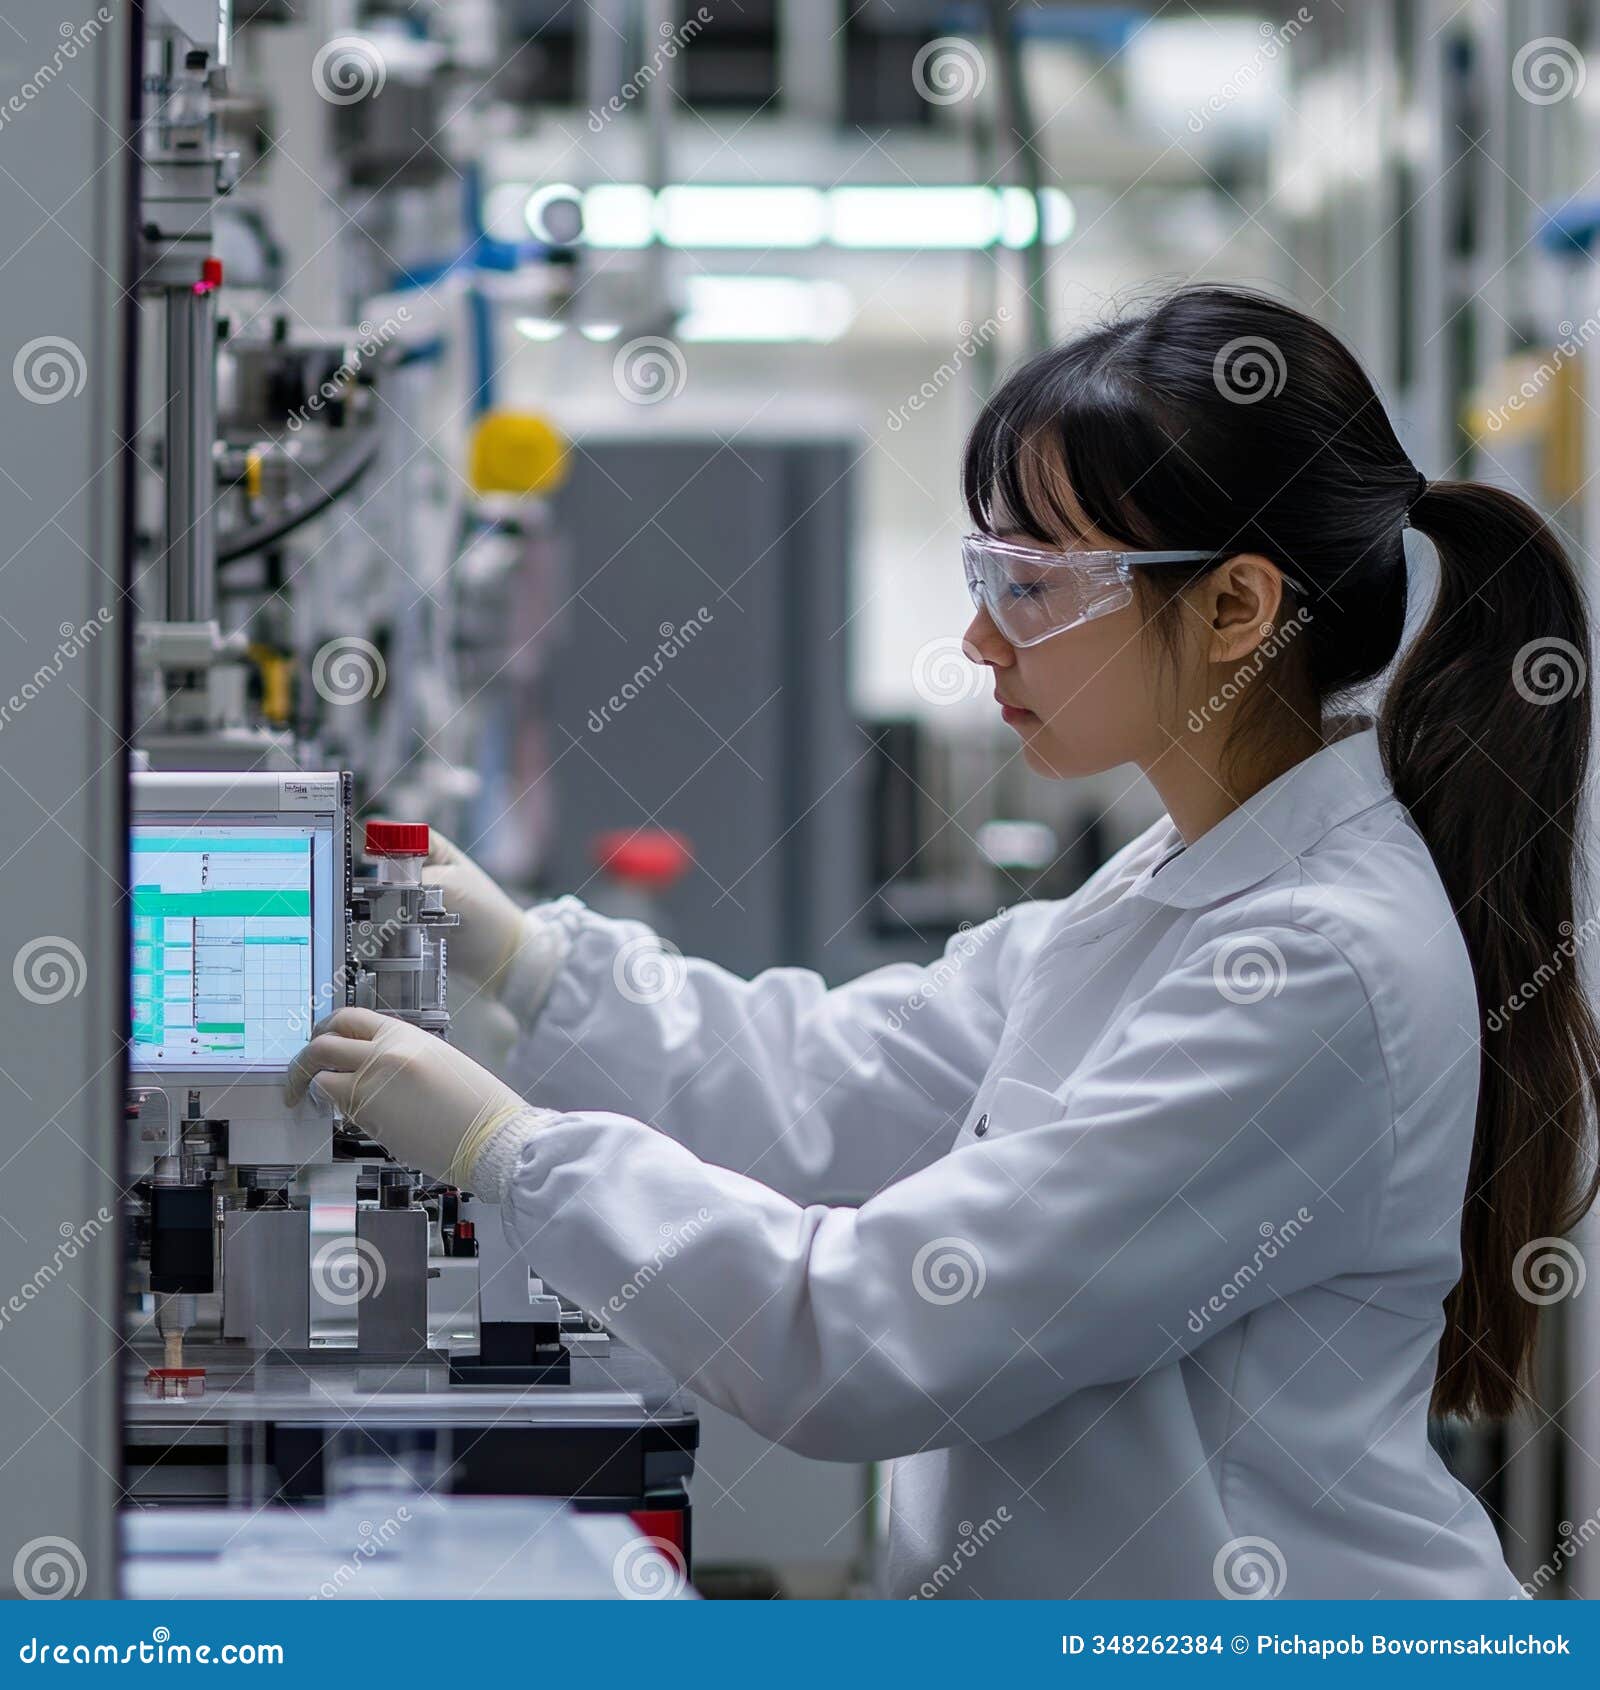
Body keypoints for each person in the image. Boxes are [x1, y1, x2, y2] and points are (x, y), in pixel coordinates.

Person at [289, 284, 1600, 1599]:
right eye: (988, 576)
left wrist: (511, 1152)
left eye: (1032, 585)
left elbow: (868, 1332)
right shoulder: (1164, 887)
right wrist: (524, 954)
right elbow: (830, 1080)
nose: (980, 638)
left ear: (1237, 610)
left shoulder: (1320, 963)